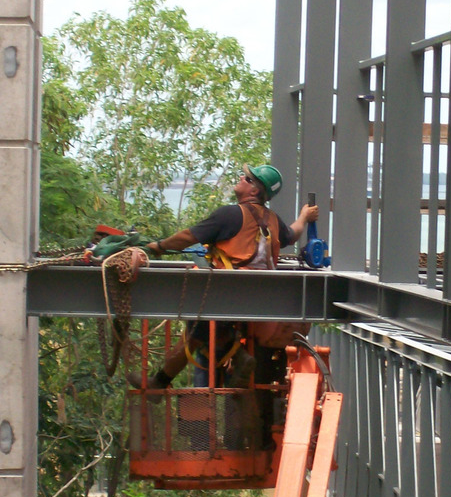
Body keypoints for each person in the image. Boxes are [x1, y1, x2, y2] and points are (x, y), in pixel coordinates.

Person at [134, 164, 318, 390]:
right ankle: (236, 357)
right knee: (206, 331)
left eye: (247, 178)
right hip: (262, 297)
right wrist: (304, 216)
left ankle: (160, 383)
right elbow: (293, 234)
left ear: (254, 191)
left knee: (196, 333)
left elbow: (188, 237)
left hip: (230, 294)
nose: (241, 178)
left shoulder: (230, 215)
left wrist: (159, 247)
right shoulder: (273, 220)